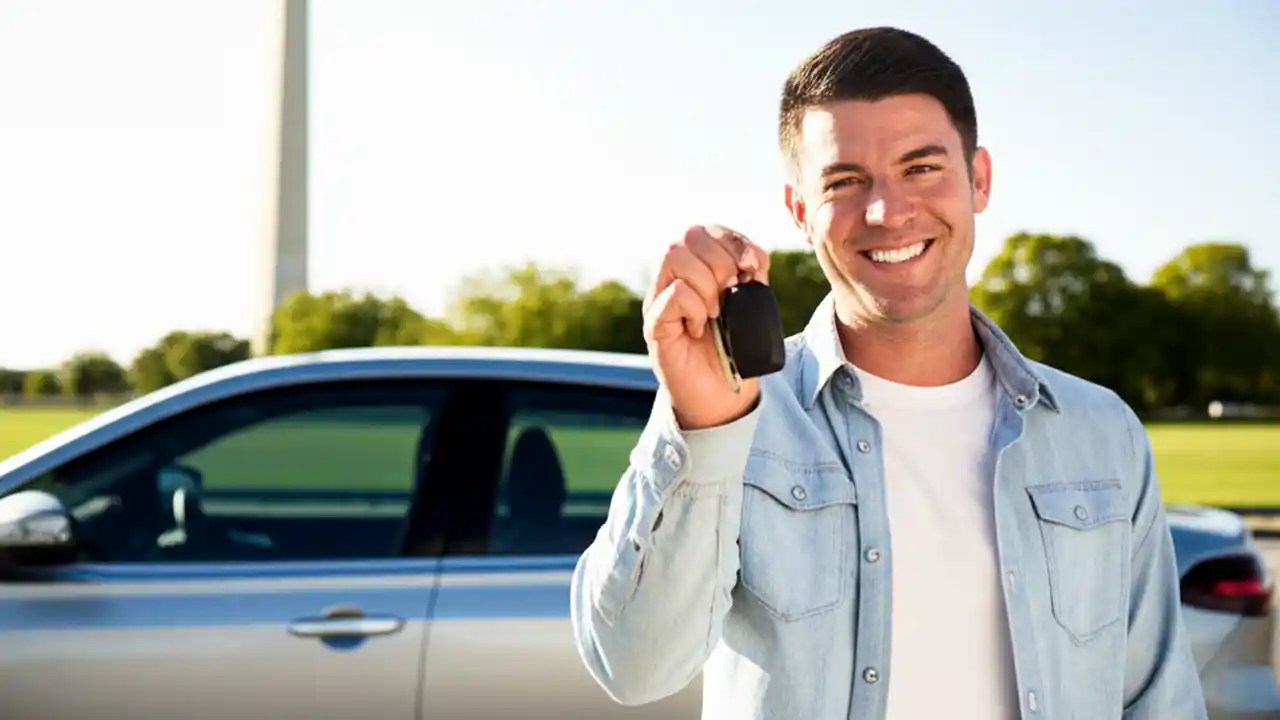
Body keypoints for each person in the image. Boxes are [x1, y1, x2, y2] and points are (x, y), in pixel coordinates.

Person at [569, 25, 1207, 720]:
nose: (887, 211)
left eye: (922, 168)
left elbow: (1158, 701)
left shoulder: (1100, 432)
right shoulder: (735, 420)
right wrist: (702, 429)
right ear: (799, 212)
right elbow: (633, 667)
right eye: (844, 181)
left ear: (979, 180)